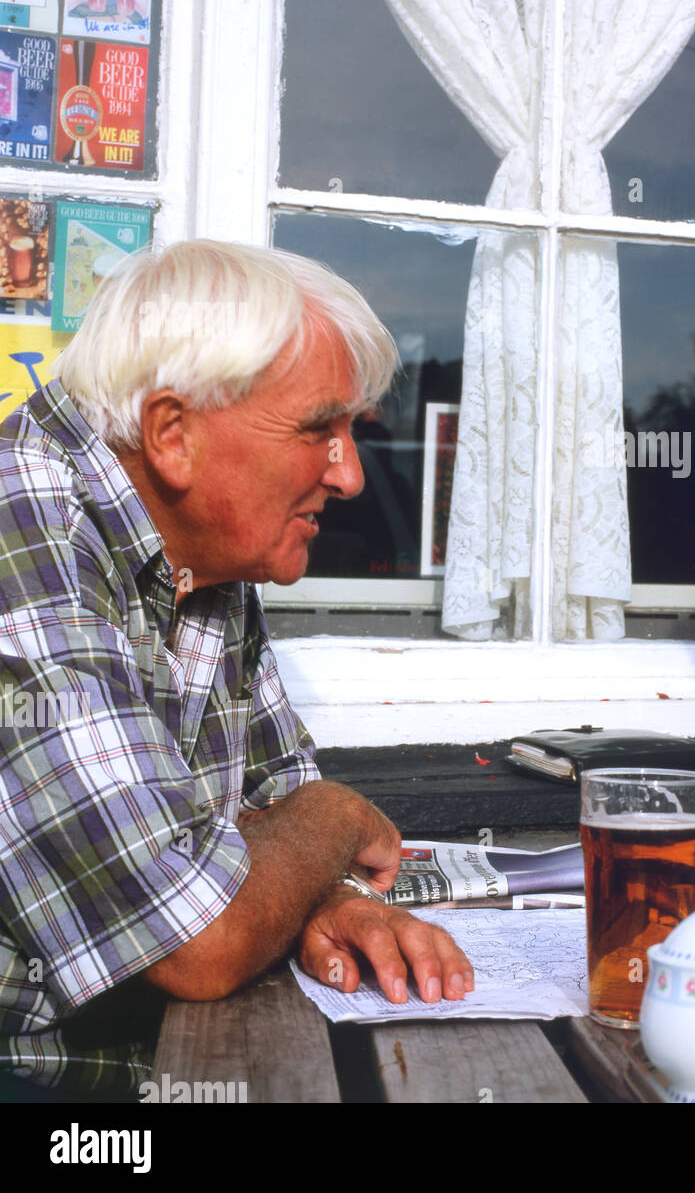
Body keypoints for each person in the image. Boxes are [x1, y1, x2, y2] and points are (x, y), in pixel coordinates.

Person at [0, 240, 474, 1100]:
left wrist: (327, 895)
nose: (352, 476)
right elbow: (194, 937)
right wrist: (330, 821)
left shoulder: (204, 551)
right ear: (172, 435)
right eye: (318, 430)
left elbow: (269, 803)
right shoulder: (16, 532)